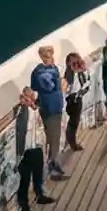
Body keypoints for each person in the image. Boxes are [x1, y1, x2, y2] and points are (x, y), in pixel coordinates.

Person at [13, 87, 56, 211]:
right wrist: (22, 104)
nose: (30, 99)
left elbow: (42, 110)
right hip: (24, 151)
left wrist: (32, 104)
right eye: (27, 97)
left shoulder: (36, 109)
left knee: (38, 174)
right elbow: (17, 116)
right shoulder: (20, 110)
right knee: (24, 181)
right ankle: (24, 208)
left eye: (31, 96)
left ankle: (39, 194)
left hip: (36, 147)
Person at [30, 45, 66, 179]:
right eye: (49, 54)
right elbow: (50, 86)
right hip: (50, 108)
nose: (51, 57)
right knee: (53, 138)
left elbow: (35, 87)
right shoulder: (43, 73)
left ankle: (54, 163)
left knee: (54, 137)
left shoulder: (49, 69)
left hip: (53, 106)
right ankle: (52, 167)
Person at [63, 52, 91, 151]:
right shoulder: (70, 74)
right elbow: (69, 88)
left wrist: (83, 70)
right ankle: (72, 143)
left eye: (77, 62)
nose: (76, 65)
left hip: (77, 98)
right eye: (73, 63)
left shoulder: (81, 72)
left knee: (74, 121)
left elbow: (86, 83)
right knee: (73, 122)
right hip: (72, 100)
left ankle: (71, 141)